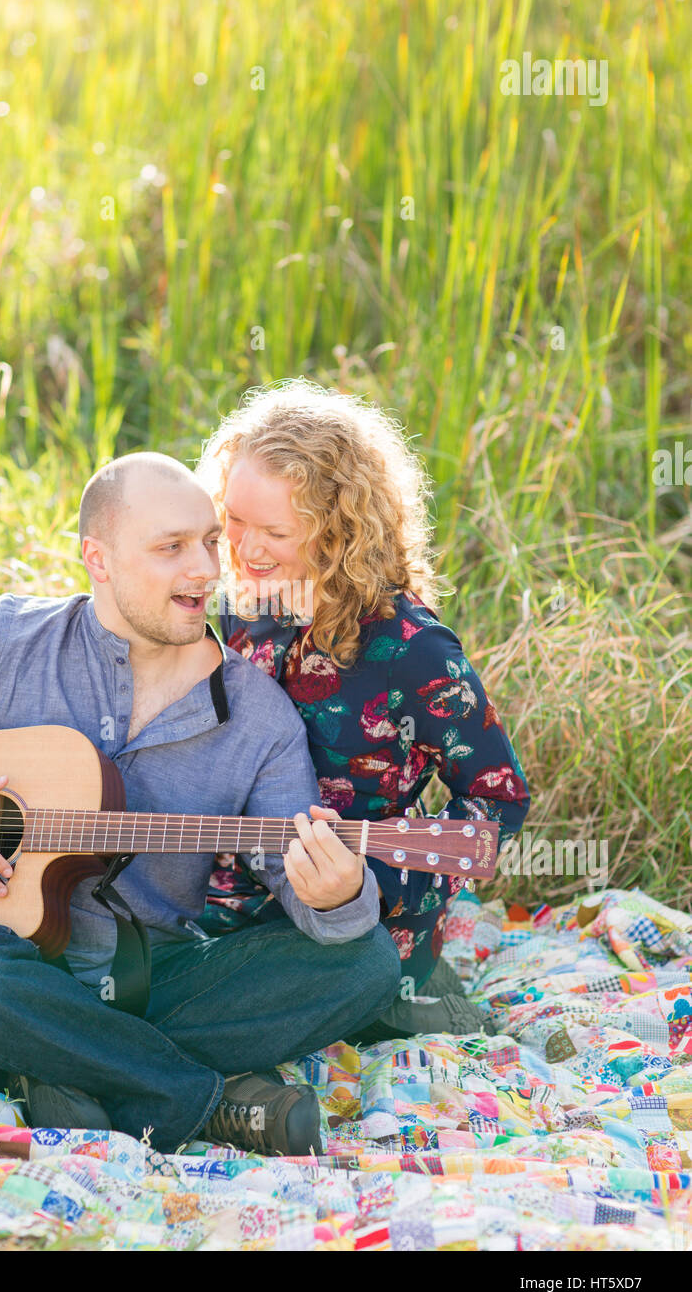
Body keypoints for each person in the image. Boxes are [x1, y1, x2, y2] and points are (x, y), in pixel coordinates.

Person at [0, 452, 402, 1156]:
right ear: (98, 559)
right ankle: (202, 1100)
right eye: (171, 548)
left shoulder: (258, 716)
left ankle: (67, 1076)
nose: (204, 569)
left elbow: (301, 883)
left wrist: (337, 892)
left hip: (153, 979)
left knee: (366, 960)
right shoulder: (5, 641)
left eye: (209, 542)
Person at [195, 379, 531, 1038]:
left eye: (276, 531)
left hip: (360, 931)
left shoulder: (411, 648)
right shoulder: (245, 606)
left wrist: (373, 885)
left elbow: (498, 803)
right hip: (237, 908)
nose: (246, 548)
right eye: (233, 518)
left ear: (339, 533)